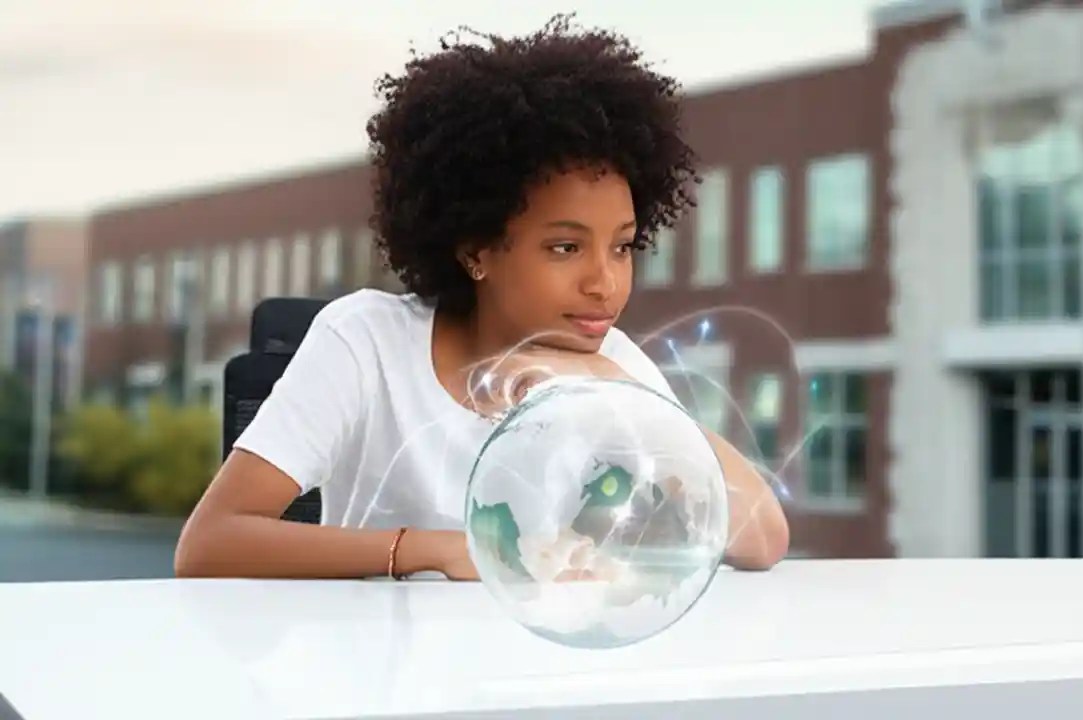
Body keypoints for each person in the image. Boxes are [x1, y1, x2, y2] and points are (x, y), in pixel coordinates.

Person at [174, 16, 790, 581]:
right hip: (383, 683)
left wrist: (609, 382)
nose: (605, 283)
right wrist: (436, 550)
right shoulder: (366, 342)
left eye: (623, 247)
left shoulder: (612, 367)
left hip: (537, 681)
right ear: (476, 249)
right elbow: (209, 544)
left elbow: (761, 538)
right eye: (566, 249)